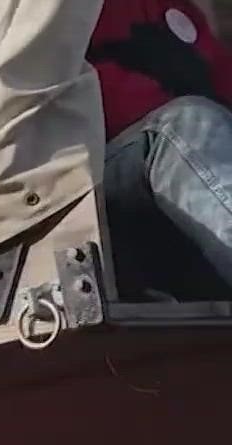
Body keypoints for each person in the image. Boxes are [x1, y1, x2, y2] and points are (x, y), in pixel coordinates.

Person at [93, 1, 232, 287]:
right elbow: (69, 90)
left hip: (185, 155)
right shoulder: (57, 11)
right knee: (188, 123)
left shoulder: (177, 10)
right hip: (88, 171)